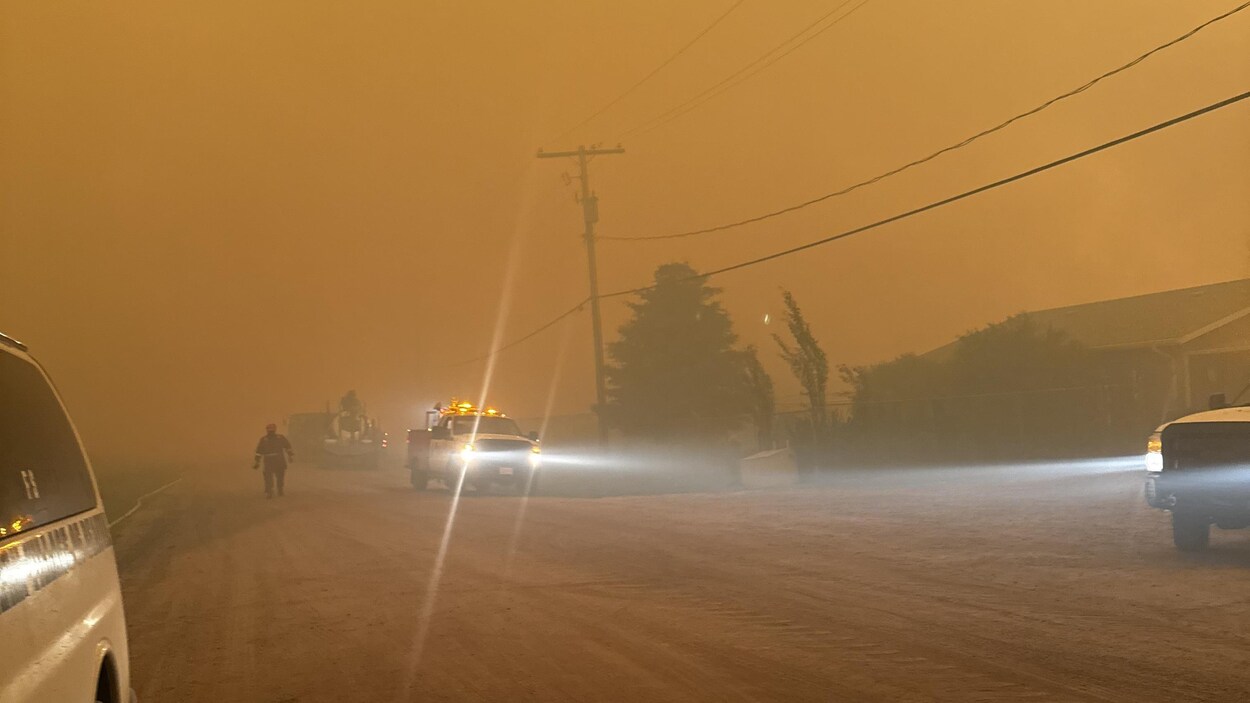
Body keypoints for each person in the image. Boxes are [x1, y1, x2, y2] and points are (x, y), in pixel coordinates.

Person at [253, 423, 294, 498]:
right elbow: (259, 451)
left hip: (278, 459)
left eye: (272, 429)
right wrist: (257, 461)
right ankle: (269, 491)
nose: (270, 431)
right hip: (269, 460)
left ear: (275, 429)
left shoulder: (280, 438)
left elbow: (287, 446)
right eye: (269, 429)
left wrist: (290, 455)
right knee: (268, 476)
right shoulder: (264, 440)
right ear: (267, 430)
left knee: (280, 476)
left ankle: (279, 490)